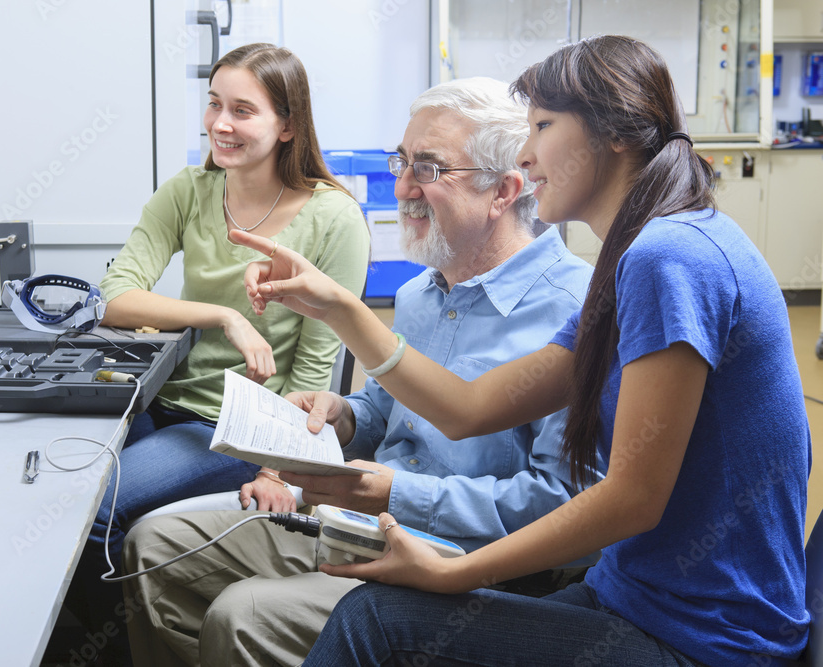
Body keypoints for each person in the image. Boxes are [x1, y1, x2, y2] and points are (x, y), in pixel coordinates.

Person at [236, 35, 811, 667]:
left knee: (375, 620)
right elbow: (471, 407)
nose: (528, 153)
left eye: (542, 125)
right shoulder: (636, 257)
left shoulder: (668, 256)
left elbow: (632, 497)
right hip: (631, 598)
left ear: (614, 134)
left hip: (703, 638)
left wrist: (456, 573)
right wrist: (341, 307)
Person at [120, 76, 598, 667]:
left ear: (503, 191)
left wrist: (396, 490)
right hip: (361, 522)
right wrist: (342, 415)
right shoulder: (425, 291)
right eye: (402, 161)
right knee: (153, 548)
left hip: (464, 560)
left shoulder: (577, 312)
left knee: (241, 615)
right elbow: (384, 411)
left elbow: (562, 504)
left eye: (428, 169)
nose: (401, 188)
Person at [62, 43, 370, 666]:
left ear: (287, 125)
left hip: (234, 428)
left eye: (243, 110)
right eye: (213, 105)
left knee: (93, 509)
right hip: (157, 403)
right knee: (53, 488)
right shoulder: (191, 191)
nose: (220, 124)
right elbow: (117, 296)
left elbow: (316, 370)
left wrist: (277, 471)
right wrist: (223, 315)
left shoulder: (334, 219)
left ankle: (122, 653)